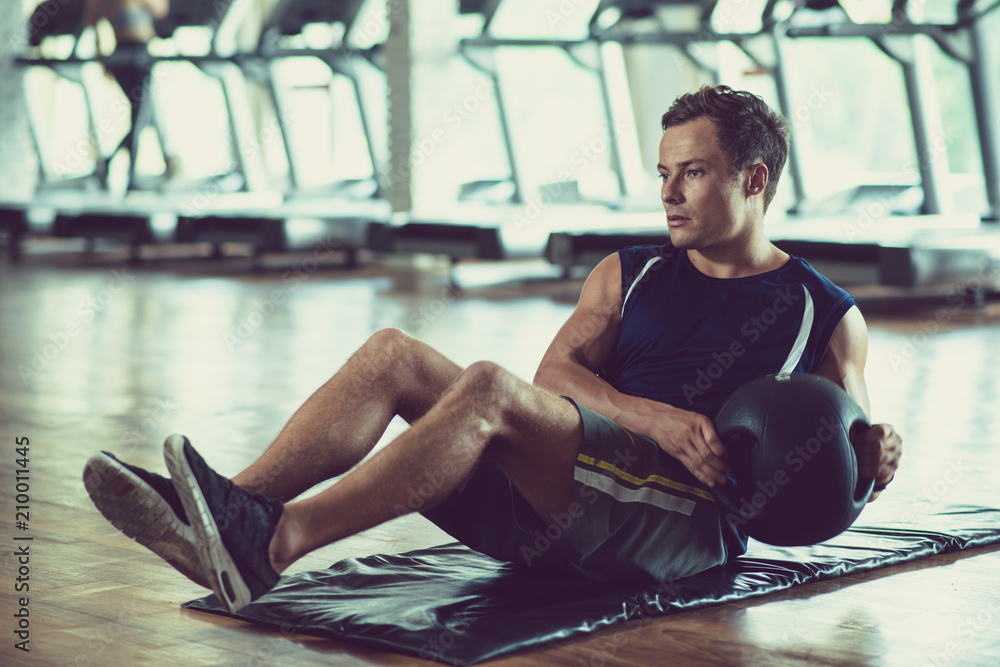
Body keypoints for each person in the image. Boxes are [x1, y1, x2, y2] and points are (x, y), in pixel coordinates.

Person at [84, 85, 902, 614]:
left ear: (755, 180)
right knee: (391, 354)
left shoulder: (824, 311)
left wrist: (881, 453)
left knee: (484, 388)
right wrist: (653, 416)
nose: (668, 193)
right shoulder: (629, 272)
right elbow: (556, 377)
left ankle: (275, 543)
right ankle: (225, 512)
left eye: (691, 173)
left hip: (679, 521)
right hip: (571, 484)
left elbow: (850, 447)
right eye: (662, 172)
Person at [85, 0, 171, 190]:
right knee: (140, 115)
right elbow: (96, 28)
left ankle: (112, 164)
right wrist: (102, 60)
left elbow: (161, 11)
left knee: (140, 116)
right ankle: (130, 175)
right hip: (130, 56)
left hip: (138, 53)